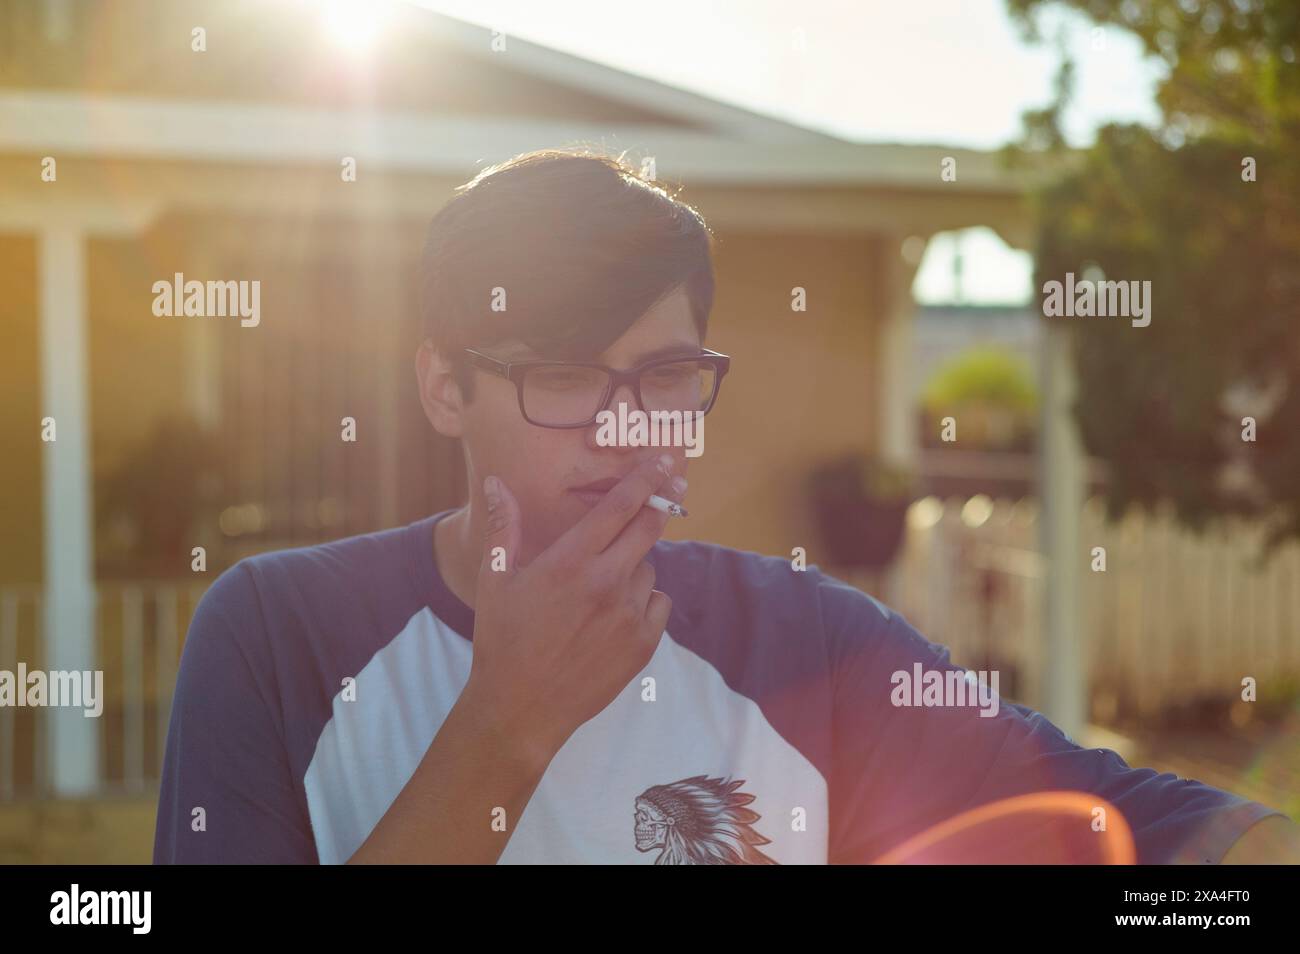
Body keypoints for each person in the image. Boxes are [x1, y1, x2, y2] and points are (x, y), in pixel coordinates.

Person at [154, 147, 1299, 864]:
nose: (623, 428)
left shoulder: (804, 642)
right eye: (560, 375)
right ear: (443, 387)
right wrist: (507, 725)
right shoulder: (277, 636)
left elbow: (1131, 824)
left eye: (662, 379)